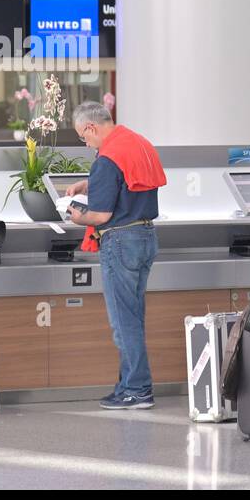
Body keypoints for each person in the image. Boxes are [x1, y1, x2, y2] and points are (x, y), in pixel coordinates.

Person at [66, 101, 167, 409]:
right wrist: (90, 182)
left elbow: (99, 215)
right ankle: (127, 386)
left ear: (90, 128)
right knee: (132, 317)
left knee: (124, 321)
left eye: (83, 138)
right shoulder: (137, 142)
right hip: (146, 236)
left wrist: (75, 216)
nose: (86, 144)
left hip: (120, 242)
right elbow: (128, 183)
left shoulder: (107, 158)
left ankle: (137, 389)